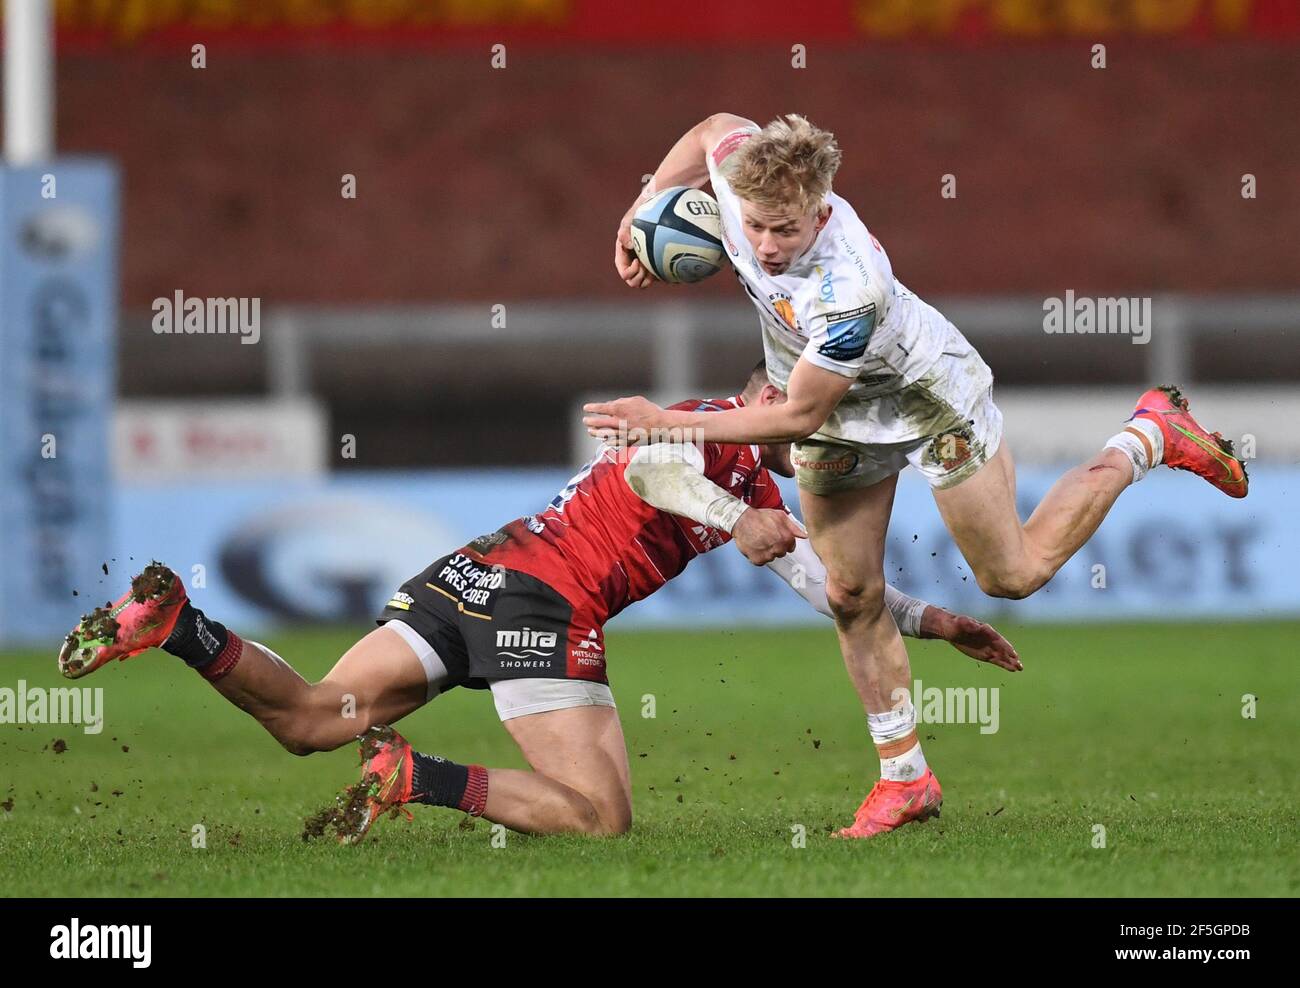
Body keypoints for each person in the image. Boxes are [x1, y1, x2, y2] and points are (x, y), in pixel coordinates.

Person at [587, 112, 1248, 836]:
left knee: (1012, 576)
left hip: (926, 397)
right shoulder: (740, 171)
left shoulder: (849, 286)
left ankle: (1150, 434)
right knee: (848, 591)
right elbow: (714, 124)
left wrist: (666, 422)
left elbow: (797, 416)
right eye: (755, 228)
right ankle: (905, 778)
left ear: (822, 208)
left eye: (786, 230)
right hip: (839, 415)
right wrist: (639, 209)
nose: (767, 248)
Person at [59, 363, 1018, 842]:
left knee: (313, 719)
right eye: (801, 409)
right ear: (765, 394)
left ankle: (178, 626)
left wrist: (941, 623)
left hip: (475, 571)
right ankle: (417, 781)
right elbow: (646, 469)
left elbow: (834, 588)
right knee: (601, 819)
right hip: (541, 610)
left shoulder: (764, 491)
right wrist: (731, 518)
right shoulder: (703, 434)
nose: (809, 430)